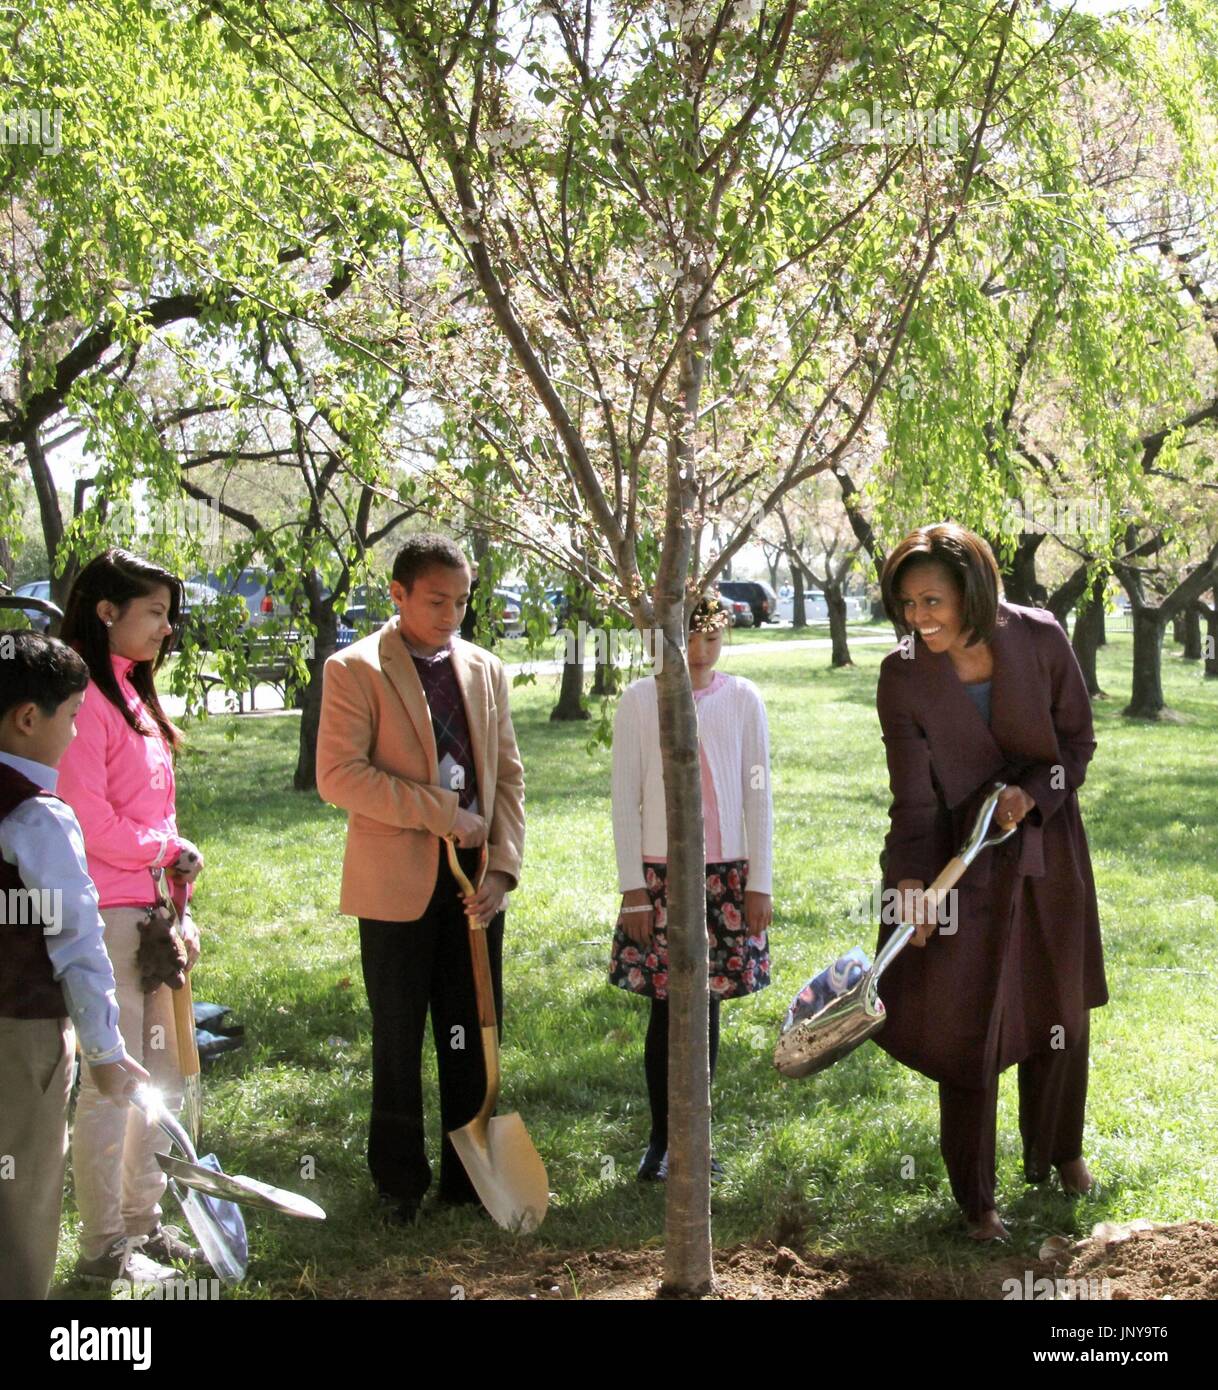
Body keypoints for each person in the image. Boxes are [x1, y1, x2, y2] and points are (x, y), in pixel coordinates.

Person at [875, 523, 1107, 1241]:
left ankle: (1059, 1152)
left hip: (1047, 849)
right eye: (907, 603)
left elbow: (1077, 743)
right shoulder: (903, 673)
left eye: (933, 600)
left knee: (1057, 1006)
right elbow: (912, 798)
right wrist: (910, 882)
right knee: (965, 1018)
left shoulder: (1039, 638)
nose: (920, 618)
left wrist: (1033, 794)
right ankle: (977, 1200)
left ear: (972, 590)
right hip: (959, 863)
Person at [316, 534, 526, 1224]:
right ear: (398, 594)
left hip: (473, 886)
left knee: (471, 1028)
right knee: (399, 1033)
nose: (451, 614)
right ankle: (399, 1181)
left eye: (462, 601)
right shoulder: (355, 669)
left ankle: (470, 1177)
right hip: (395, 885)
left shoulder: (486, 669)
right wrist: (444, 814)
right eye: (436, 600)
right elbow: (339, 776)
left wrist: (500, 867)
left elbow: (510, 777)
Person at [55, 550, 206, 1282]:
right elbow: (87, 820)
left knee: (162, 1077)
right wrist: (167, 848)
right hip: (106, 916)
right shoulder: (82, 700)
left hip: (150, 912)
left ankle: (145, 1226)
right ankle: (103, 1248)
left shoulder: (131, 693)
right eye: (154, 612)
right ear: (107, 610)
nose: (167, 628)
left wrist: (178, 903)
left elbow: (154, 809)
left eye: (168, 614)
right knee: (115, 1084)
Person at [0, 632, 149, 1298]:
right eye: (71, 716)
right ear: (28, 719)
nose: (77, 730)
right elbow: (78, 944)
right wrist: (106, 1052)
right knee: (22, 1202)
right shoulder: (37, 816)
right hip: (21, 1037)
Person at [609, 594, 774, 1180]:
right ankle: (661, 1140)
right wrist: (634, 889)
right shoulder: (639, 701)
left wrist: (760, 881)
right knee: (667, 1008)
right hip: (660, 877)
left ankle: (695, 1139)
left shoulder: (743, 700)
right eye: (688, 638)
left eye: (712, 637)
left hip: (726, 876)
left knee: (705, 1009)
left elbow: (758, 794)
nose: (700, 652)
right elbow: (625, 799)